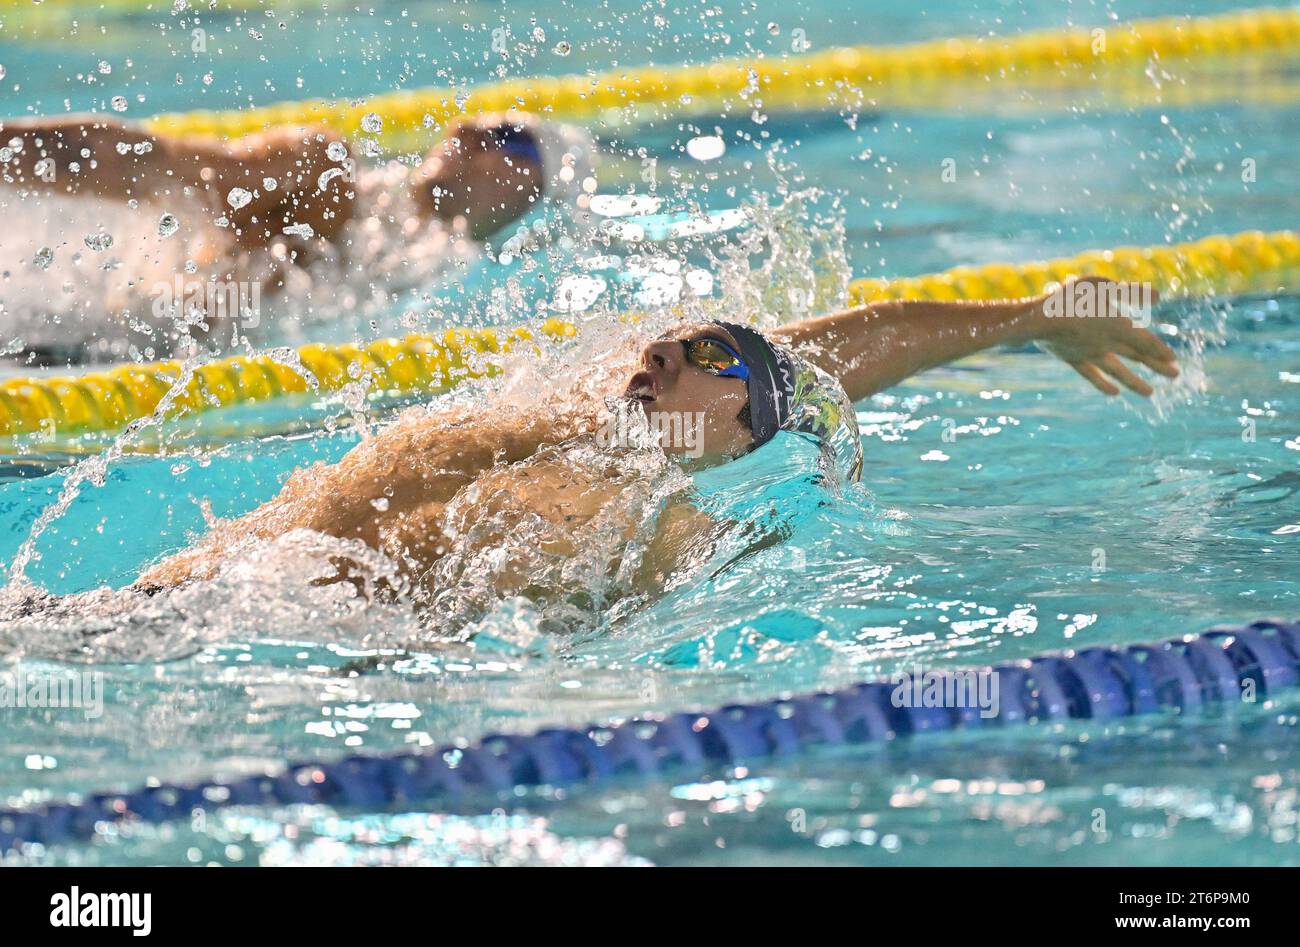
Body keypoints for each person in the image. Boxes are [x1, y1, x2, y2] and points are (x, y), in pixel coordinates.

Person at [128, 276, 1179, 618]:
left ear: (744, 421)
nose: (659, 351)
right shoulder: (589, 424)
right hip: (173, 594)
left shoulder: (666, 532)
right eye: (664, 339)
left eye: (701, 352)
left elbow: (819, 360)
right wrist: (1031, 314)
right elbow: (830, 353)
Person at [0, 111, 592, 359]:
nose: (469, 134)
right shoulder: (344, 189)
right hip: (124, 330)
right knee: (321, 157)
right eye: (478, 126)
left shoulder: (464, 281)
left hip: (129, 355)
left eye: (510, 138)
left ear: (529, 195)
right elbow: (163, 163)